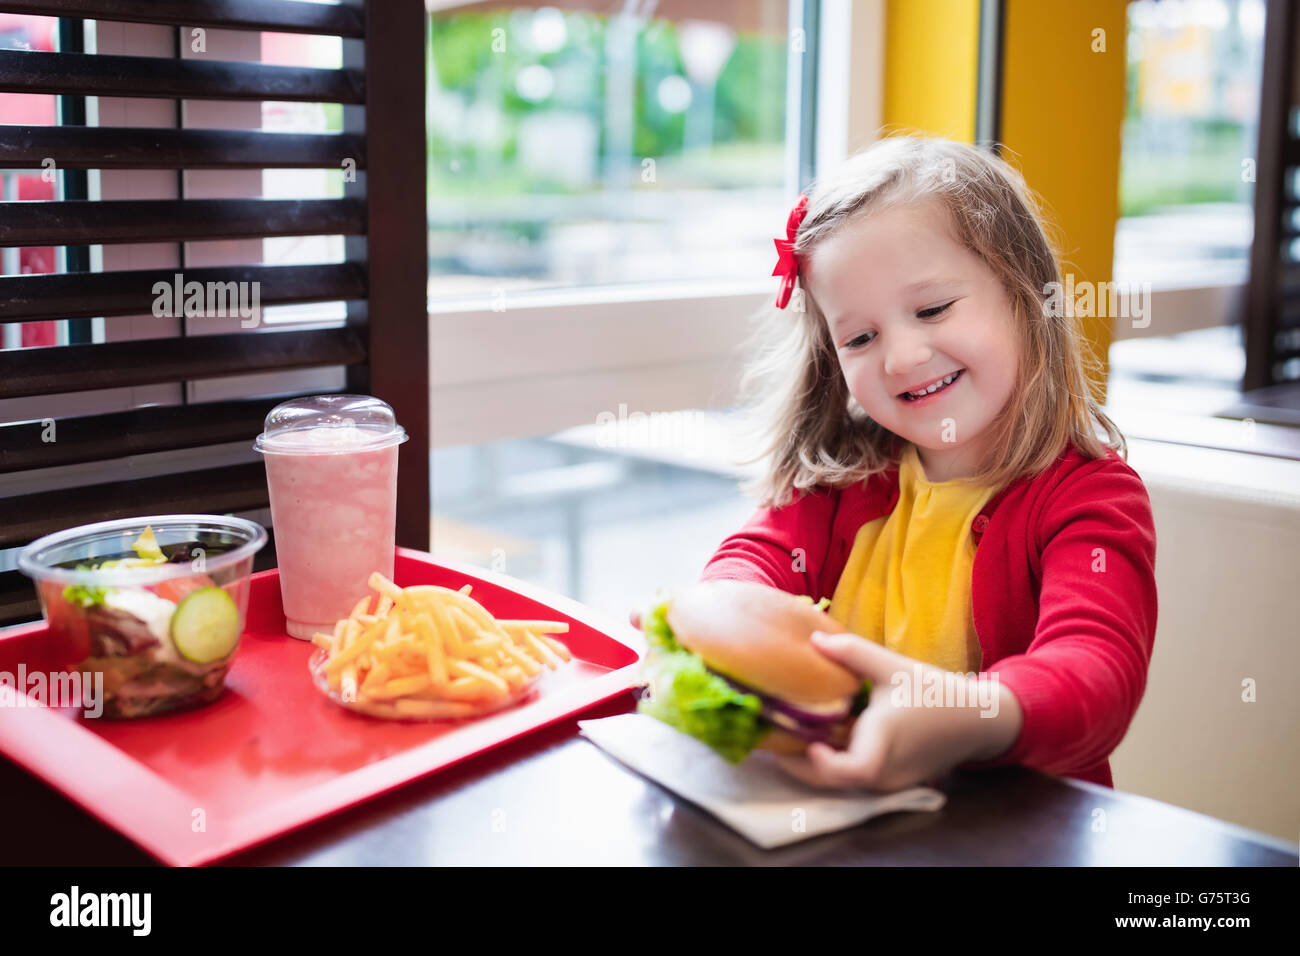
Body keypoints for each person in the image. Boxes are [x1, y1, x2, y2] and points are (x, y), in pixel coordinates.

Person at [637, 135, 1157, 792]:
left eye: (933, 308)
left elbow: (1096, 675)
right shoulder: (839, 478)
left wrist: (966, 714)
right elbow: (756, 559)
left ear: (1026, 295)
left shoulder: (1088, 498)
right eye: (859, 336)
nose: (902, 357)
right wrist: (715, 618)